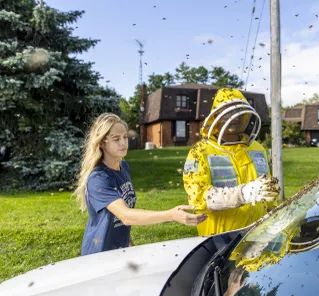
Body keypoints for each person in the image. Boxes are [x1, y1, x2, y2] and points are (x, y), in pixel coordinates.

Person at [74, 113, 207, 256]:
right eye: (116, 139)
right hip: (99, 254)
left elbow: (122, 214)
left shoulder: (123, 167)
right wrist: (172, 215)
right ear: (102, 143)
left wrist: (129, 242)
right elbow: (125, 215)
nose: (123, 143)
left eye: (125, 137)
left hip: (120, 251)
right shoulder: (99, 178)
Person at [183, 88, 280, 237]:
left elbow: (266, 189)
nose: (234, 116)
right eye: (227, 111)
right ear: (216, 116)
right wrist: (243, 194)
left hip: (258, 233)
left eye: (238, 110)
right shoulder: (199, 151)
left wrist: (273, 210)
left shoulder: (257, 148)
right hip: (220, 238)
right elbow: (199, 198)